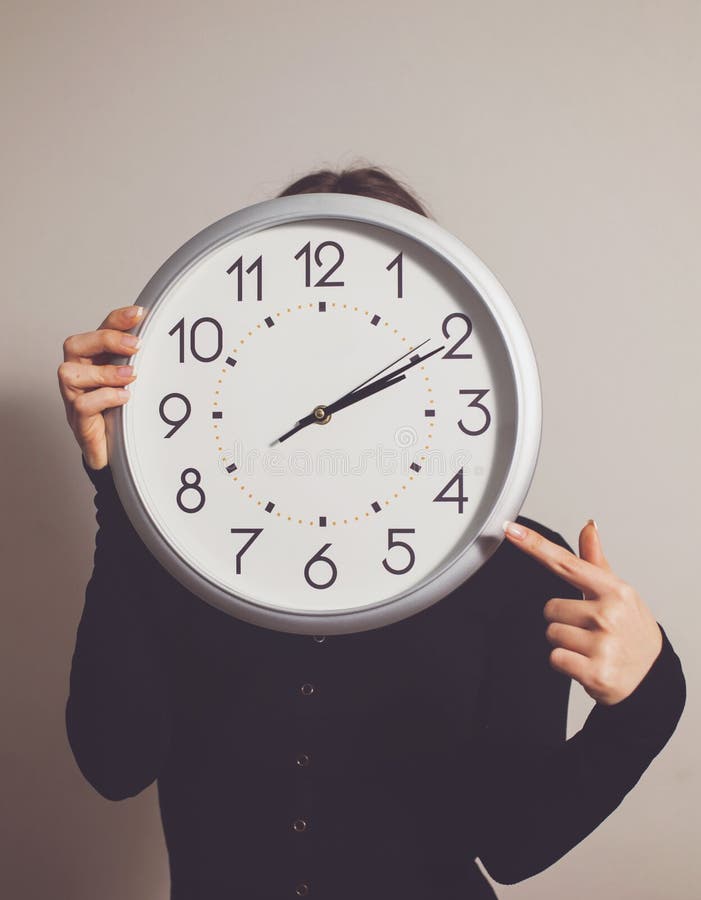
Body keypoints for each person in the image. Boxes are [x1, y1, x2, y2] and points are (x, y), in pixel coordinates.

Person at [59, 165, 686, 900]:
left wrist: (649, 696)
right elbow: (114, 762)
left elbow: (513, 844)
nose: (325, 393)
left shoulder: (509, 562)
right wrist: (121, 490)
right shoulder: (180, 546)